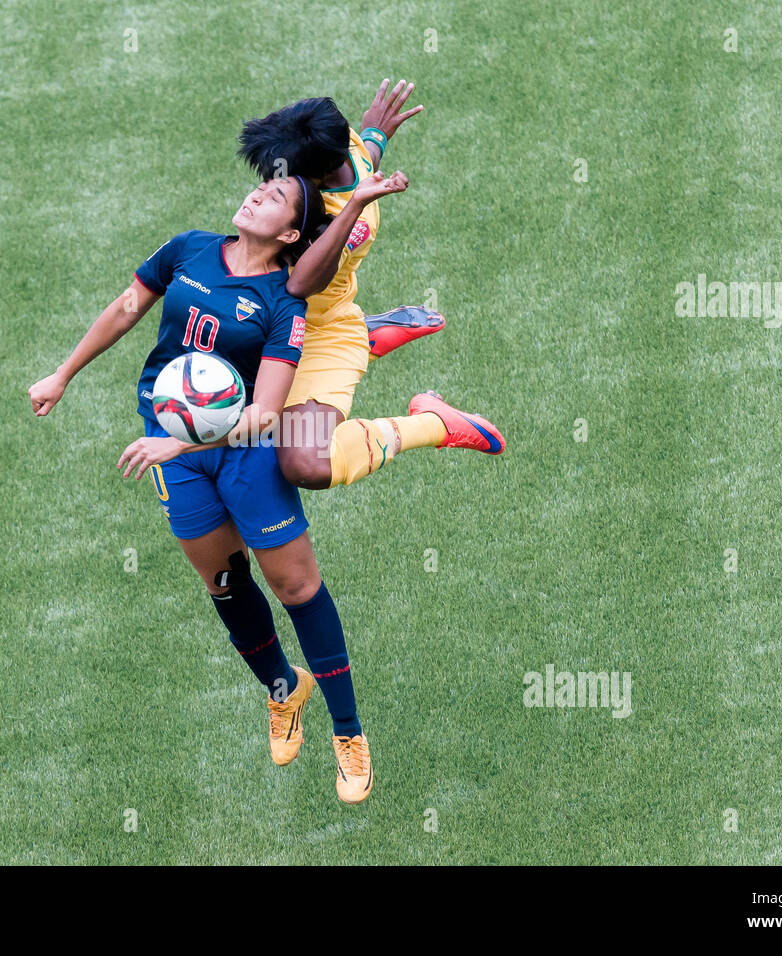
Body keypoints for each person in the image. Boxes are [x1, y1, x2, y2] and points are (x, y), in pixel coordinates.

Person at [28, 173, 405, 803]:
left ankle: (349, 735)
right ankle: (285, 690)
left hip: (241, 455)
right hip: (171, 445)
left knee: (295, 585)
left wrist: (180, 443)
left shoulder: (285, 303)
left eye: (278, 197)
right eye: (261, 187)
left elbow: (263, 414)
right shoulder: (188, 249)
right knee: (225, 583)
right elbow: (127, 308)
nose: (258, 194)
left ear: (290, 233)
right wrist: (62, 373)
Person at [239, 81, 507, 491]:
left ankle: (432, 422)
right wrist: (375, 135)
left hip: (317, 335)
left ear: (319, 176)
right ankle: (370, 334)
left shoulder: (344, 225)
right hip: (282, 322)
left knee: (304, 463)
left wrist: (354, 205)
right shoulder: (343, 149)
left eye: (285, 177)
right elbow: (364, 155)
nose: (269, 186)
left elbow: (299, 286)